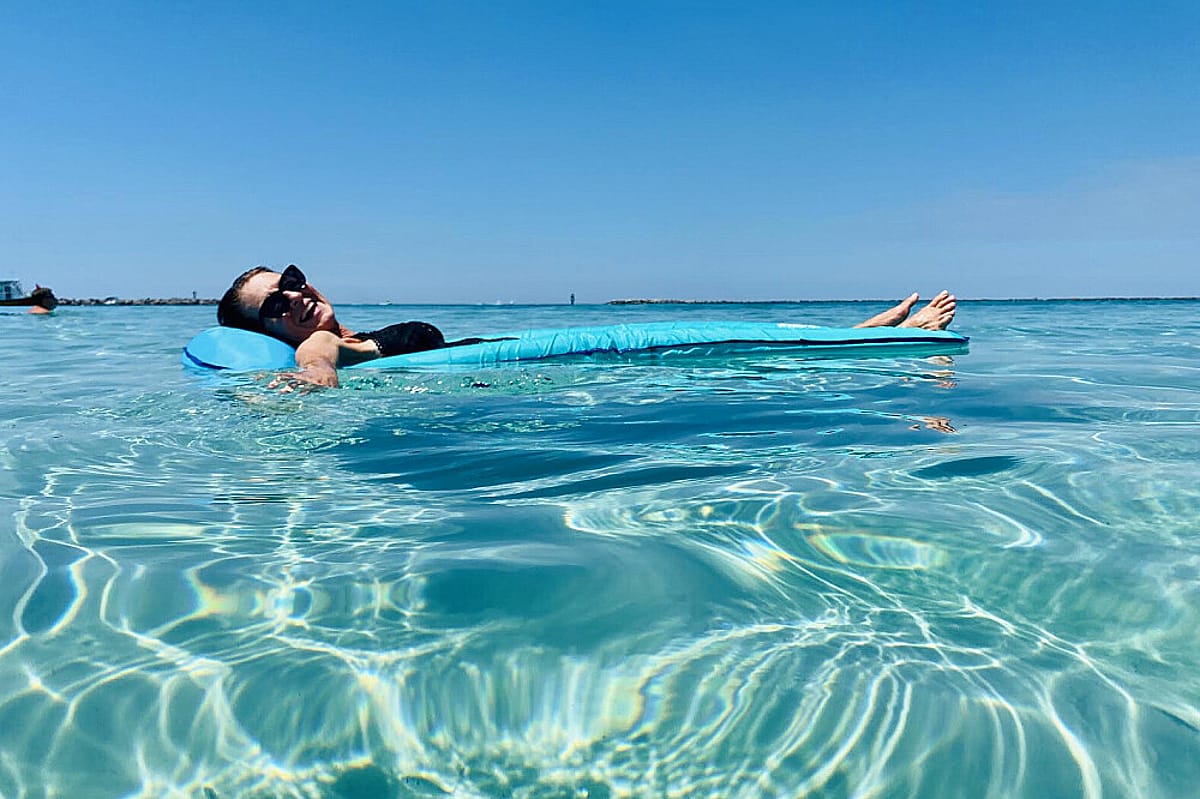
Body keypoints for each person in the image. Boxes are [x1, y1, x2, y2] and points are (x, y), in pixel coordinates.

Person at [218, 264, 957, 388]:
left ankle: (864, 332)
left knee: (729, 350)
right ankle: (886, 341)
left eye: (290, 281)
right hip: (531, 370)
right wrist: (311, 374)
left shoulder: (357, 335)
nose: (294, 299)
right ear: (265, 331)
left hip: (503, 359)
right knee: (723, 355)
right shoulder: (328, 345)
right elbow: (319, 356)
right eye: (272, 307)